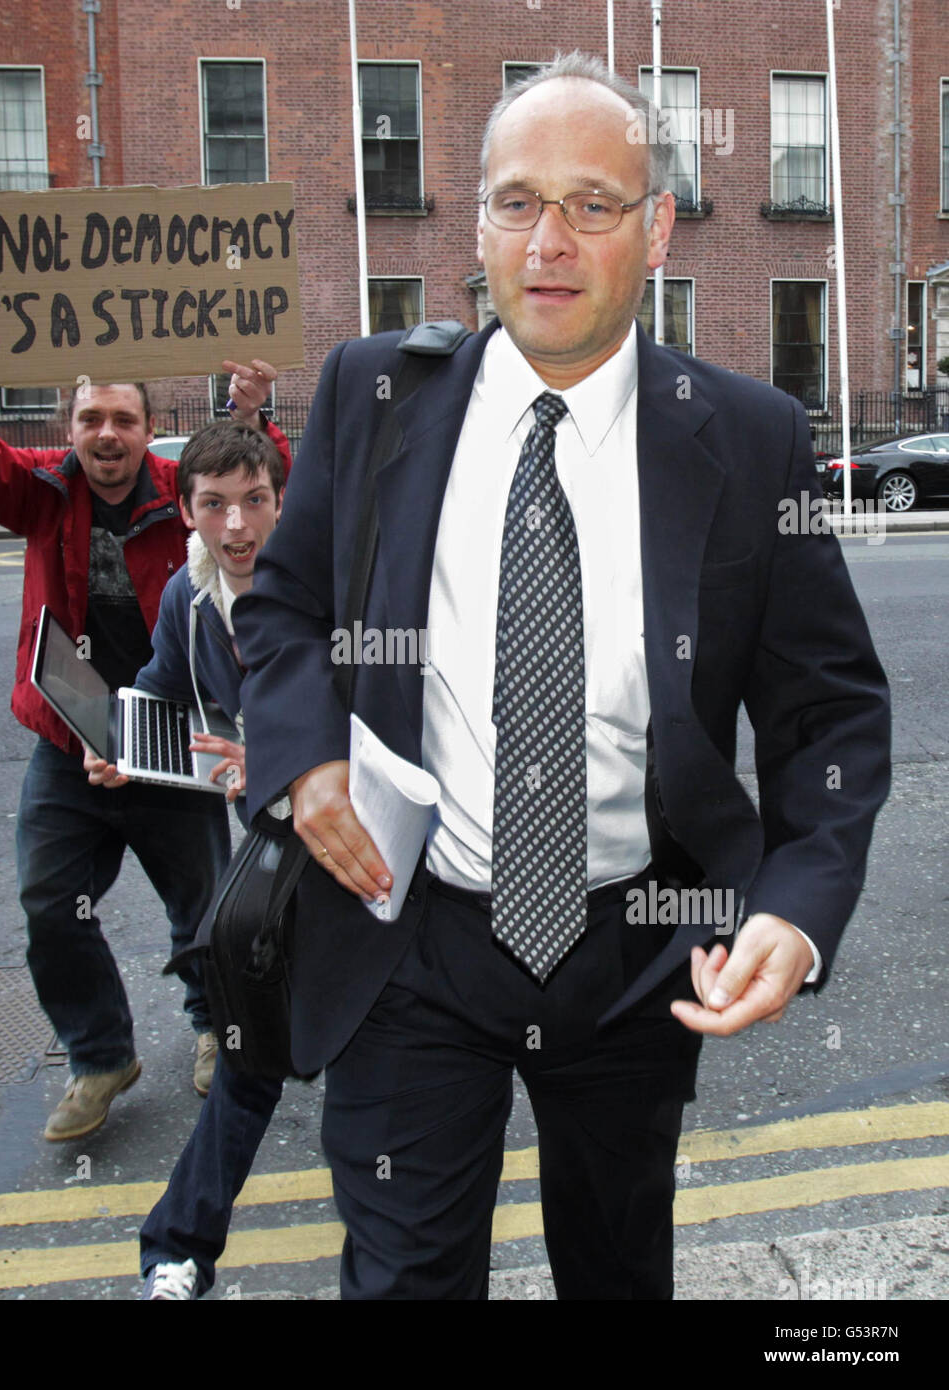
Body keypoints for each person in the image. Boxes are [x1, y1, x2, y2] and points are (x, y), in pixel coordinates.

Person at [232, 51, 892, 1300]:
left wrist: (795, 910)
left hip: (637, 945)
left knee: (616, 1267)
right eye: (515, 201)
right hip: (408, 935)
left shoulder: (751, 439)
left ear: (653, 231)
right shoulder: (368, 397)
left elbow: (828, 714)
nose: (547, 239)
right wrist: (304, 752)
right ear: (475, 221)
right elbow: (284, 609)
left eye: (592, 205)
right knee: (404, 1281)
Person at [0, 321, 291, 1140]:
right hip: (72, 747)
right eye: (91, 418)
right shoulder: (41, 489)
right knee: (51, 906)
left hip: (174, 737)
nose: (107, 435)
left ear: (145, 430)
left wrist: (254, 415)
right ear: (70, 430)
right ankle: (100, 1056)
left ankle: (214, 1027)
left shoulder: (183, 495)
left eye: (124, 420)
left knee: (204, 904)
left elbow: (258, 493)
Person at [82, 419, 289, 1300]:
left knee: (356, 1068)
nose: (237, 526)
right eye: (215, 505)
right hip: (279, 853)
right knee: (248, 1048)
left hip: (371, 850)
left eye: (255, 502)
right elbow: (166, 685)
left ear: (283, 503)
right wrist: (123, 740)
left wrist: (271, 757)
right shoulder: (188, 597)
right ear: (186, 510)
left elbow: (392, 715)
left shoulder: (327, 588)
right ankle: (178, 1252)